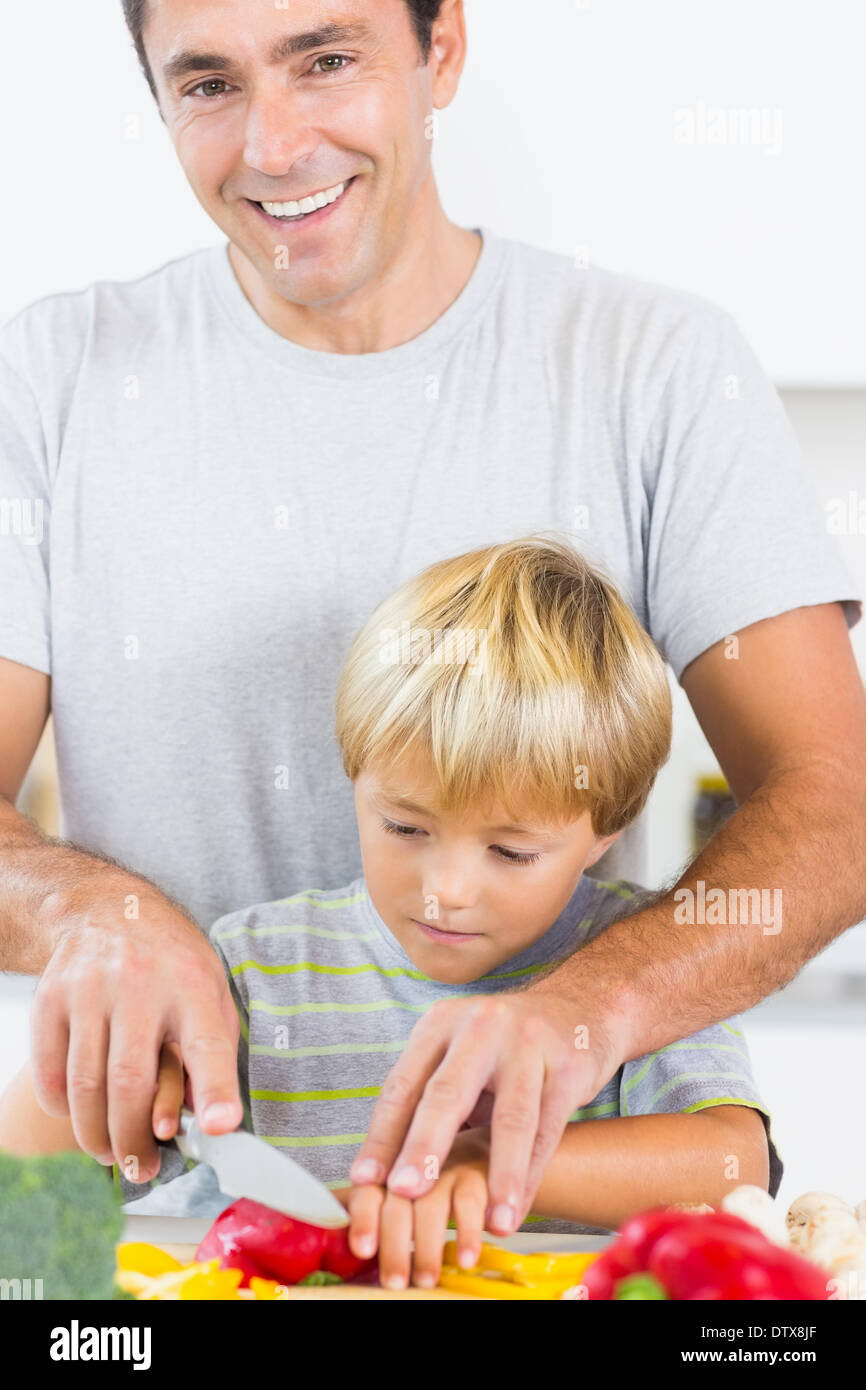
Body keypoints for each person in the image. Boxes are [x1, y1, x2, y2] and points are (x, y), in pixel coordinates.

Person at [0, 0, 863, 1235]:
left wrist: (586, 1015)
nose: (276, 142)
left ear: (441, 48)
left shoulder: (657, 364)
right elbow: (26, 1199)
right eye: (207, 84)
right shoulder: (47, 378)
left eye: (327, 59)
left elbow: (836, 807)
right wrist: (96, 918)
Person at [0, 537, 778, 1289]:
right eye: (405, 828)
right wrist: (99, 1074)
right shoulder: (252, 974)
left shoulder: (635, 964)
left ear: (606, 830)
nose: (448, 889)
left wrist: (484, 1163)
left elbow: (734, 1166)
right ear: (354, 775)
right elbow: (22, 1194)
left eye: (510, 852)